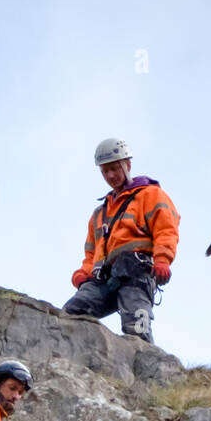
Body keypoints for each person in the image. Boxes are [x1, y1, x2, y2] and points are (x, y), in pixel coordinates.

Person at [63, 137, 180, 342]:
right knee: (71, 314)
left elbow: (166, 229)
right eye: (105, 171)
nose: (110, 175)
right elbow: (92, 253)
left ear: (128, 165)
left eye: (115, 168)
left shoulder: (150, 195)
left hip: (136, 272)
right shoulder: (100, 213)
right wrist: (83, 275)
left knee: (137, 329)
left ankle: (147, 370)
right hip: (103, 278)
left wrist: (163, 259)